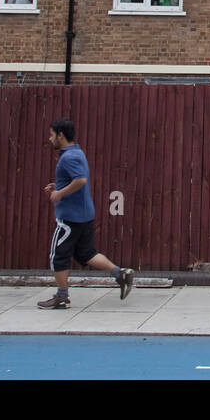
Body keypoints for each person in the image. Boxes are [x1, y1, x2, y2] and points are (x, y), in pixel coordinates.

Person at [38, 118, 134, 309]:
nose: (50, 139)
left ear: (61, 135)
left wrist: (59, 194)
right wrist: (59, 185)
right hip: (83, 215)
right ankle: (121, 274)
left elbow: (80, 180)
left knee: (58, 256)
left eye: (51, 135)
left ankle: (62, 297)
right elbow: (76, 179)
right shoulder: (75, 153)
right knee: (87, 254)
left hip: (70, 218)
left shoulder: (69, 157)